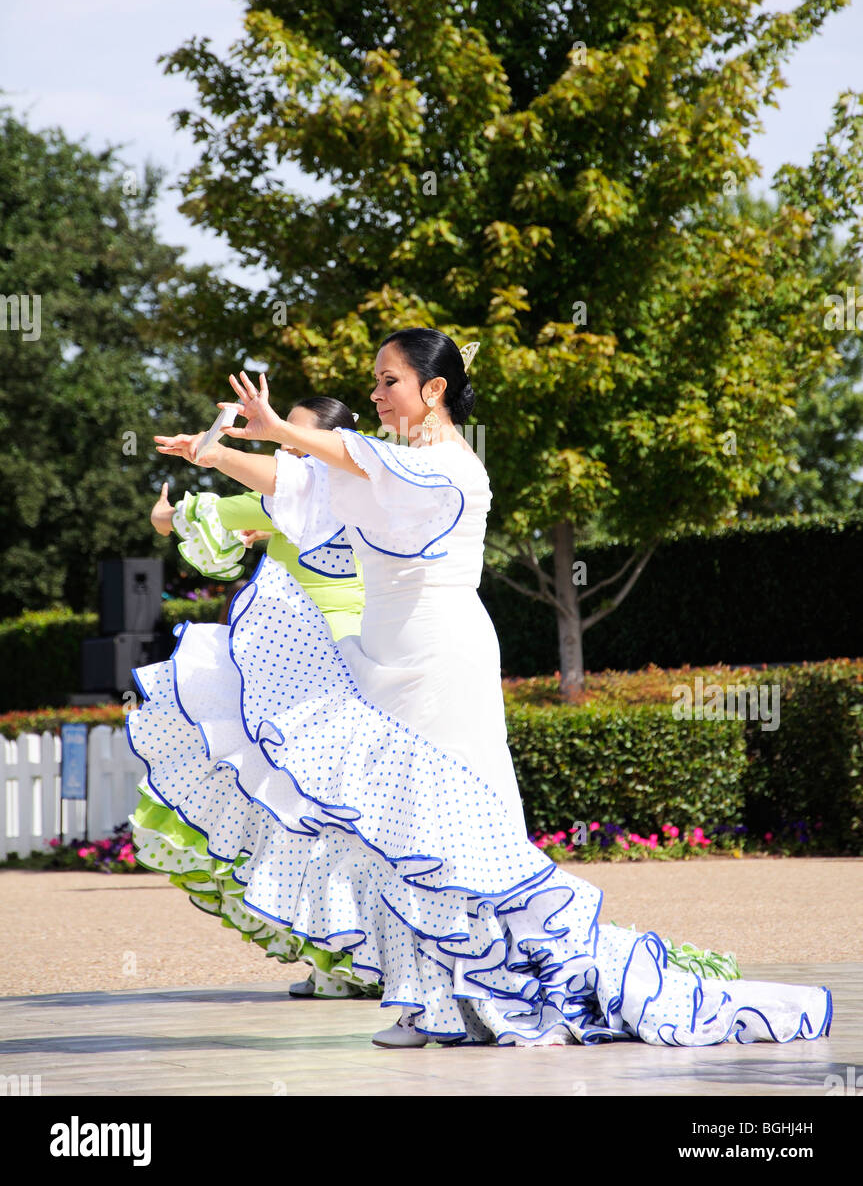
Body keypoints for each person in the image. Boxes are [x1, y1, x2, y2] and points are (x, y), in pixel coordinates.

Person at [126, 329, 833, 1048]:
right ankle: (423, 1003)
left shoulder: (450, 468)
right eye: (373, 381)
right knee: (395, 835)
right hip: (380, 654)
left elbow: (351, 461)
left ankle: (512, 994)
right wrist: (218, 454)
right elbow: (302, 485)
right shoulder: (388, 464)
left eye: (387, 380)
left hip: (441, 660)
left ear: (433, 390)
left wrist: (280, 431)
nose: (374, 395)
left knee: (450, 832)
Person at [135, 396, 379, 1000]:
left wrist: (163, 514)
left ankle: (343, 963)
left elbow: (193, 521)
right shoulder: (375, 483)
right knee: (356, 813)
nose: (277, 437)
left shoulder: (285, 493)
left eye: (292, 429)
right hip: (375, 661)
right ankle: (379, 960)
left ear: (326, 437)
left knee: (304, 812)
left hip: (297, 665)